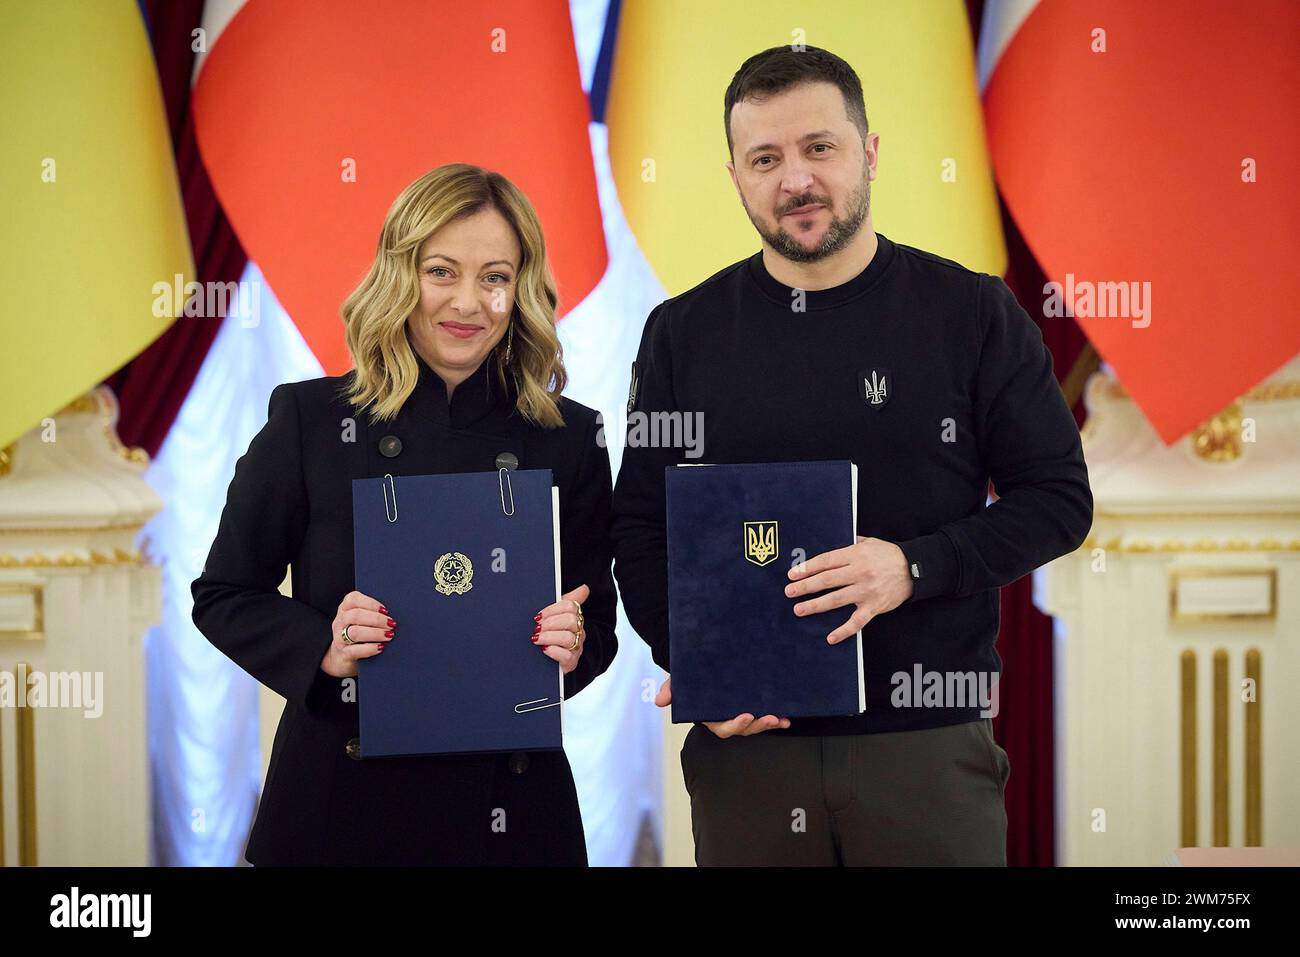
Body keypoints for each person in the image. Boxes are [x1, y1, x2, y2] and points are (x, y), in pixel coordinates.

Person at [611, 46, 1093, 865]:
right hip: (747, 752)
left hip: (927, 743)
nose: (795, 179)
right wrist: (696, 670)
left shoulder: (973, 312)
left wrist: (914, 565)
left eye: (818, 148)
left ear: (869, 152)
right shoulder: (681, 334)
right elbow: (640, 524)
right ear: (736, 176)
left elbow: (1057, 499)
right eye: (766, 158)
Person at [192, 163, 617, 866]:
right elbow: (224, 594)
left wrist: (574, 645)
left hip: (511, 814)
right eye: (441, 271)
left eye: (495, 276)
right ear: (400, 274)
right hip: (340, 804)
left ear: (522, 289)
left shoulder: (571, 436)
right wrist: (325, 649)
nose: (468, 302)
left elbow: (595, 621)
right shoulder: (311, 421)